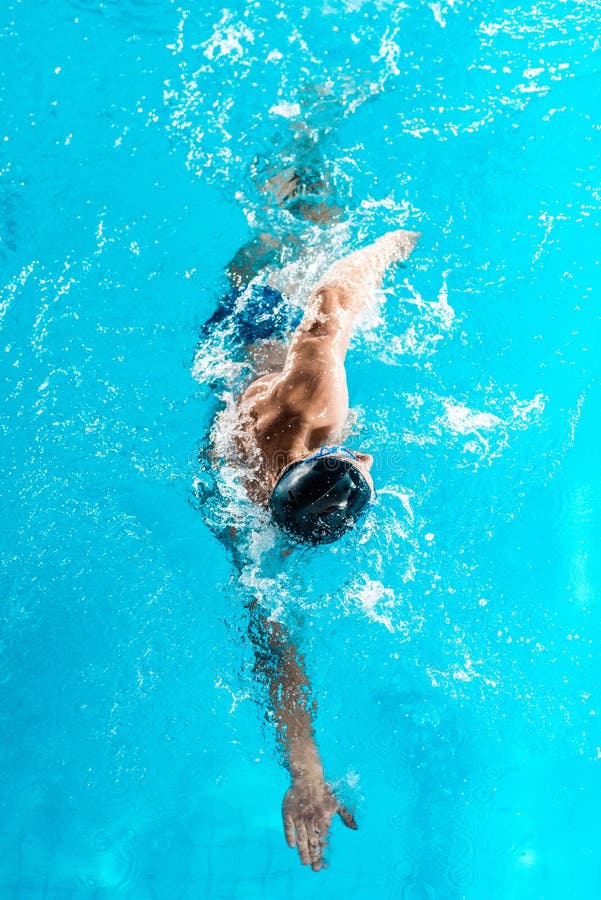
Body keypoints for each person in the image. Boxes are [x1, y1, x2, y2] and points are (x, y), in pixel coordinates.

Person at [199, 114, 420, 870]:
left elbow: (330, 304)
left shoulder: (309, 399)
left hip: (253, 327)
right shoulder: (253, 518)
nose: (366, 452)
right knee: (310, 232)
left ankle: (302, 134)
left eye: (357, 461)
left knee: (304, 224)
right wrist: (305, 770)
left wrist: (389, 247)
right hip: (245, 385)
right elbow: (273, 647)